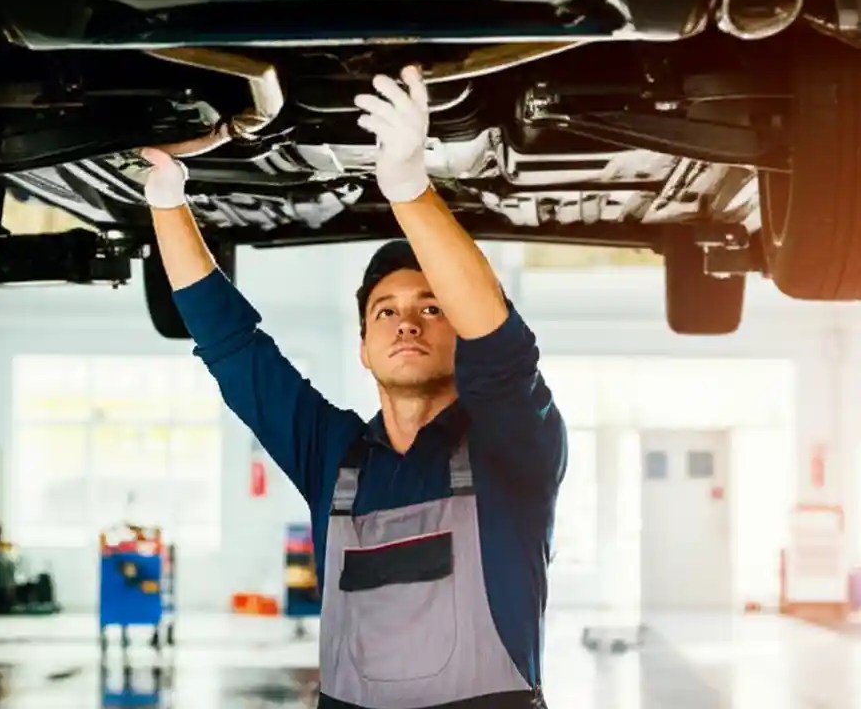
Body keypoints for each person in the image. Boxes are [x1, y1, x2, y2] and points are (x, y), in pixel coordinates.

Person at [141, 65, 566, 709]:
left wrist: (407, 186)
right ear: (363, 348)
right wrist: (169, 205)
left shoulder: (513, 448)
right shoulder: (333, 457)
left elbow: (503, 349)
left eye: (432, 307)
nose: (406, 323)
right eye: (386, 311)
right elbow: (234, 351)